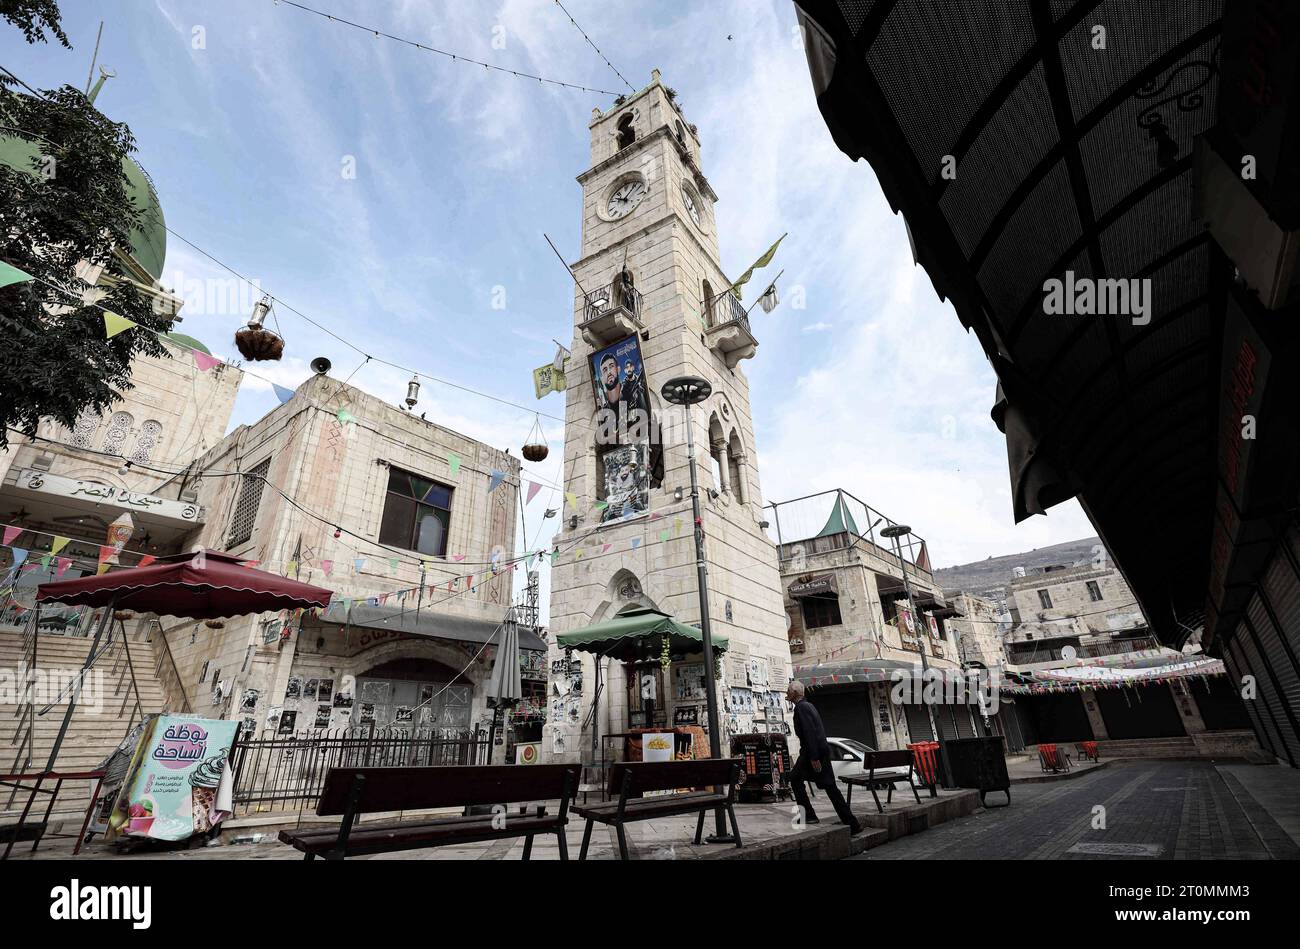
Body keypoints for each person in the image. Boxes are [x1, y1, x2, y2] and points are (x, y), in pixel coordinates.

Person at [786, 680, 861, 834]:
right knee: (829, 787)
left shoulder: (801, 708)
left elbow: (810, 733)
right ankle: (852, 823)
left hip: (812, 753)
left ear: (794, 693)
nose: (787, 694)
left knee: (796, 778)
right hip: (819, 751)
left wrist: (814, 758)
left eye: (788, 691)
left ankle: (809, 815)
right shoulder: (809, 706)